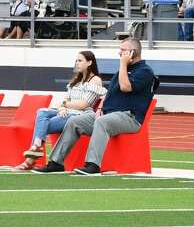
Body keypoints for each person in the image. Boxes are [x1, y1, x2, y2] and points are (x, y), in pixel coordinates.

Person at [38, 37, 157, 176]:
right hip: (109, 115)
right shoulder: (123, 70)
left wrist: (123, 64)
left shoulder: (145, 71)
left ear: (133, 52)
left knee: (101, 122)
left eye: (123, 50)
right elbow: (109, 93)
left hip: (129, 117)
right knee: (74, 122)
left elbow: (125, 87)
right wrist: (100, 108)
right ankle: (56, 163)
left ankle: (92, 165)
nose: (119, 53)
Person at [15, 51, 105, 171]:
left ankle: (31, 158)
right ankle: (36, 145)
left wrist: (65, 105)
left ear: (89, 62)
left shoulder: (95, 80)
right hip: (68, 111)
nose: (77, 63)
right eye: (76, 61)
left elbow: (83, 105)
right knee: (42, 112)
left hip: (80, 115)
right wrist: (63, 107)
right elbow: (65, 100)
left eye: (80, 60)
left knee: (43, 125)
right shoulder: (76, 81)